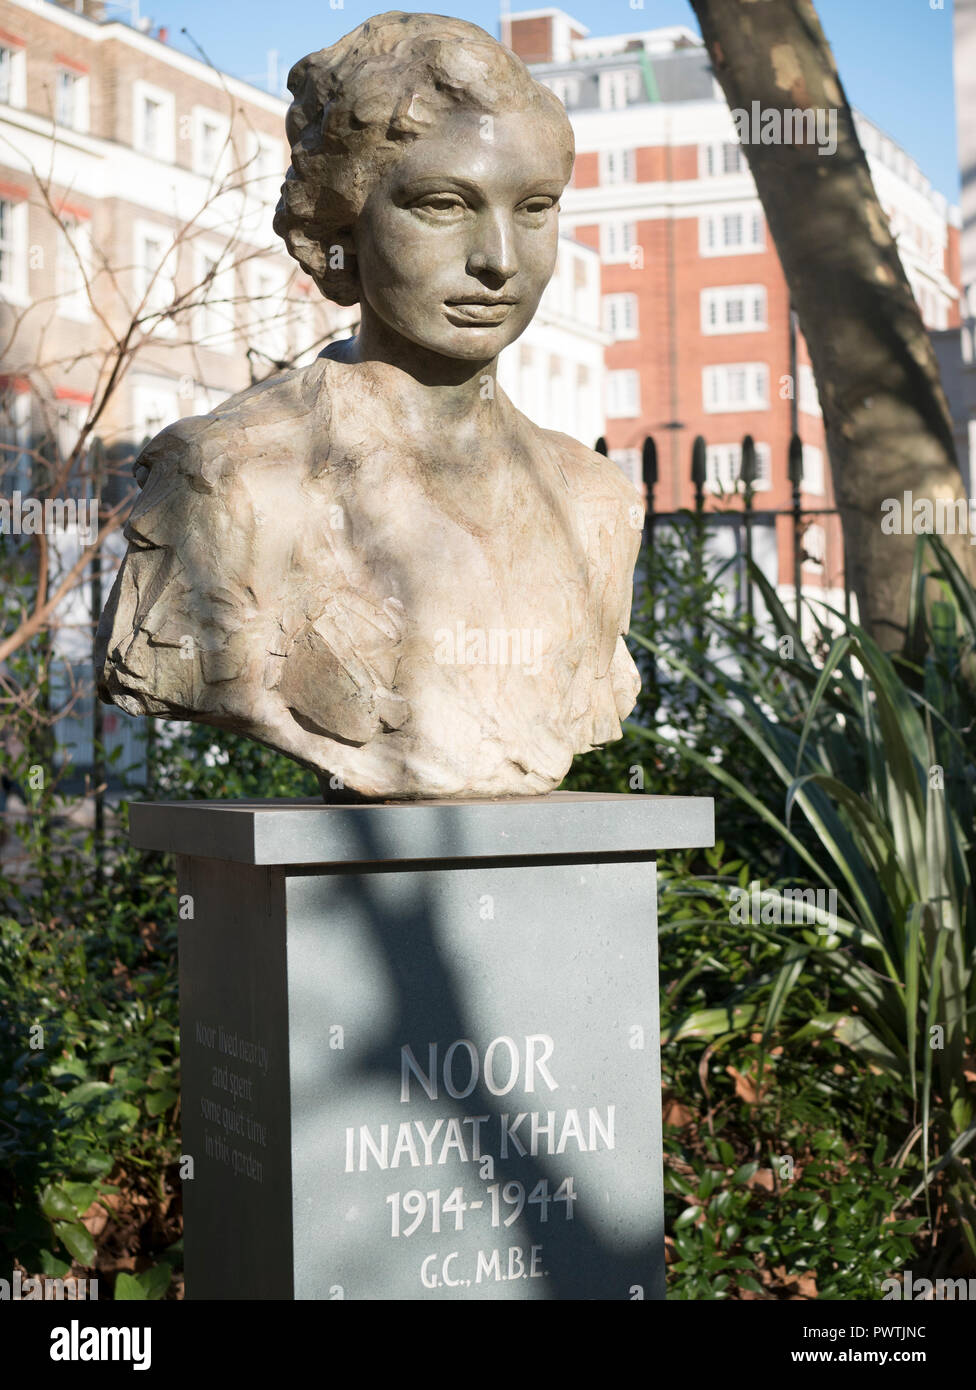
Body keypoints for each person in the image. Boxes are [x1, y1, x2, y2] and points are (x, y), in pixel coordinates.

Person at [96, 12, 643, 800]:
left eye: (534, 208)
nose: (497, 259)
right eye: (443, 204)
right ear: (341, 224)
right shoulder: (230, 481)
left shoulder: (597, 504)